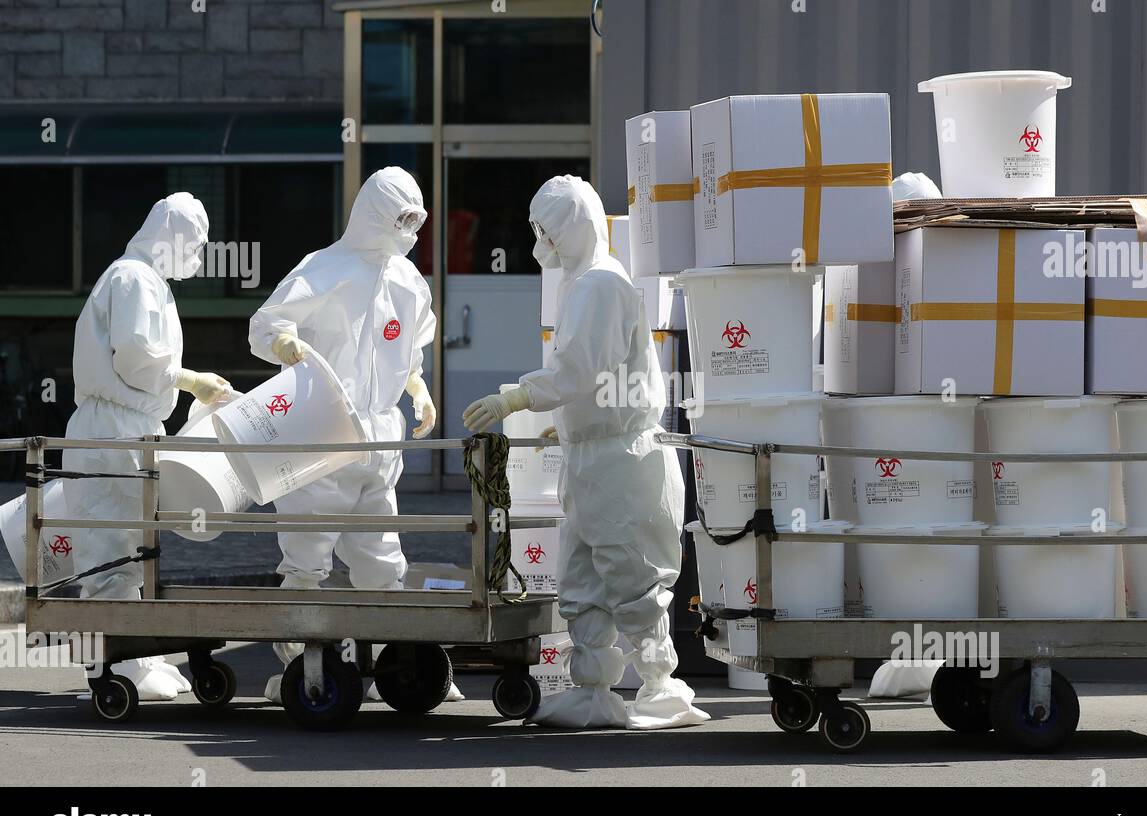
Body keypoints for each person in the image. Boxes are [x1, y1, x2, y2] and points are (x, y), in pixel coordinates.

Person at [463, 175, 707, 730]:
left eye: (547, 230)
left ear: (574, 226)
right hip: (594, 454)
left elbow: (578, 369)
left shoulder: (599, 284)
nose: (540, 242)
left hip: (620, 462)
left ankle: (662, 688)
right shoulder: (585, 283)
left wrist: (518, 397)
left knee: (631, 577)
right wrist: (570, 426)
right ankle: (593, 689)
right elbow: (602, 378)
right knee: (584, 578)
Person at [249, 167, 462, 704]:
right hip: (320, 430)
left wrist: (418, 387)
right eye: (401, 217)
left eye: (417, 219)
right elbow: (268, 322)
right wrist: (285, 345)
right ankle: (303, 670)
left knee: (382, 557)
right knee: (306, 557)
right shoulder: (326, 268)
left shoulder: (409, 280)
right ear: (373, 212)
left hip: (380, 439)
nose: (409, 229)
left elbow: (409, 349)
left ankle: (397, 664)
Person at [65, 192, 231, 701]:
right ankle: (117, 667)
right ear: (172, 238)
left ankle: (139, 656)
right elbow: (136, 358)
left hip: (129, 430)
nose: (199, 255)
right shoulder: (133, 278)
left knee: (132, 551)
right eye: (196, 244)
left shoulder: (146, 279)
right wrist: (191, 381)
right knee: (109, 551)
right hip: (111, 432)